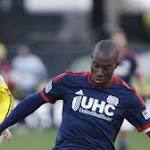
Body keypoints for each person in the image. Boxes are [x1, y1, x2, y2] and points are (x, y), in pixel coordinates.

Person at [0, 40, 150, 150]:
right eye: (96, 65)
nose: (99, 72)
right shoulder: (69, 80)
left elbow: (147, 127)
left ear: (116, 66)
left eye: (106, 68)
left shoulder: (127, 95)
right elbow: (35, 100)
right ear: (92, 59)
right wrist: (4, 125)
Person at [111, 29, 144, 150]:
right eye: (116, 39)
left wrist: (140, 91)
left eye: (121, 39)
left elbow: (138, 74)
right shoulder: (108, 56)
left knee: (124, 130)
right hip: (109, 95)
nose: (119, 42)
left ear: (125, 40)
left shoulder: (130, 57)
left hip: (125, 96)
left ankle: (122, 145)